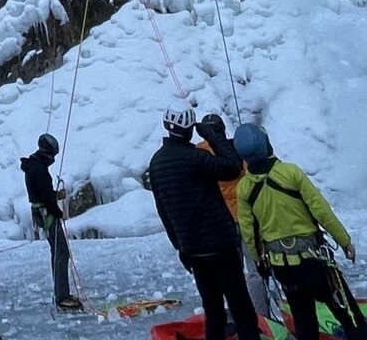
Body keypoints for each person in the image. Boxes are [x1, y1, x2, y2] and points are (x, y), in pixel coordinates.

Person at [235, 123, 366, 340]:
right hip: (314, 263)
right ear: (266, 145)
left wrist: (260, 262)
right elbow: (321, 210)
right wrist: (345, 242)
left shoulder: (245, 189)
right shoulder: (291, 173)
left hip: (282, 268)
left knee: (304, 321)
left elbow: (249, 231)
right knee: (347, 313)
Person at [148, 106, 260, 340]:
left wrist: (180, 246)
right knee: (241, 308)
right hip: (219, 243)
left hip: (192, 248)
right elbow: (232, 166)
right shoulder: (195, 157)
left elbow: (163, 211)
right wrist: (211, 135)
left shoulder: (156, 162)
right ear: (190, 130)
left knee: (214, 310)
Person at [195, 113, 274, 318]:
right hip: (247, 218)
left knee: (231, 273)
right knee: (255, 270)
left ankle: (236, 315)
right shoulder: (238, 149)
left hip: (221, 224)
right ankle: (263, 316)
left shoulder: (201, 154)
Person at [20, 133, 84, 311]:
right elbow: (44, 196)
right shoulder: (39, 169)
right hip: (46, 213)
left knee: (58, 251)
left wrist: (56, 195)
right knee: (61, 251)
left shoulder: (34, 165)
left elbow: (42, 192)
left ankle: (61, 293)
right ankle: (62, 296)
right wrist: (57, 210)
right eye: (52, 156)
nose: (53, 159)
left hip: (41, 212)